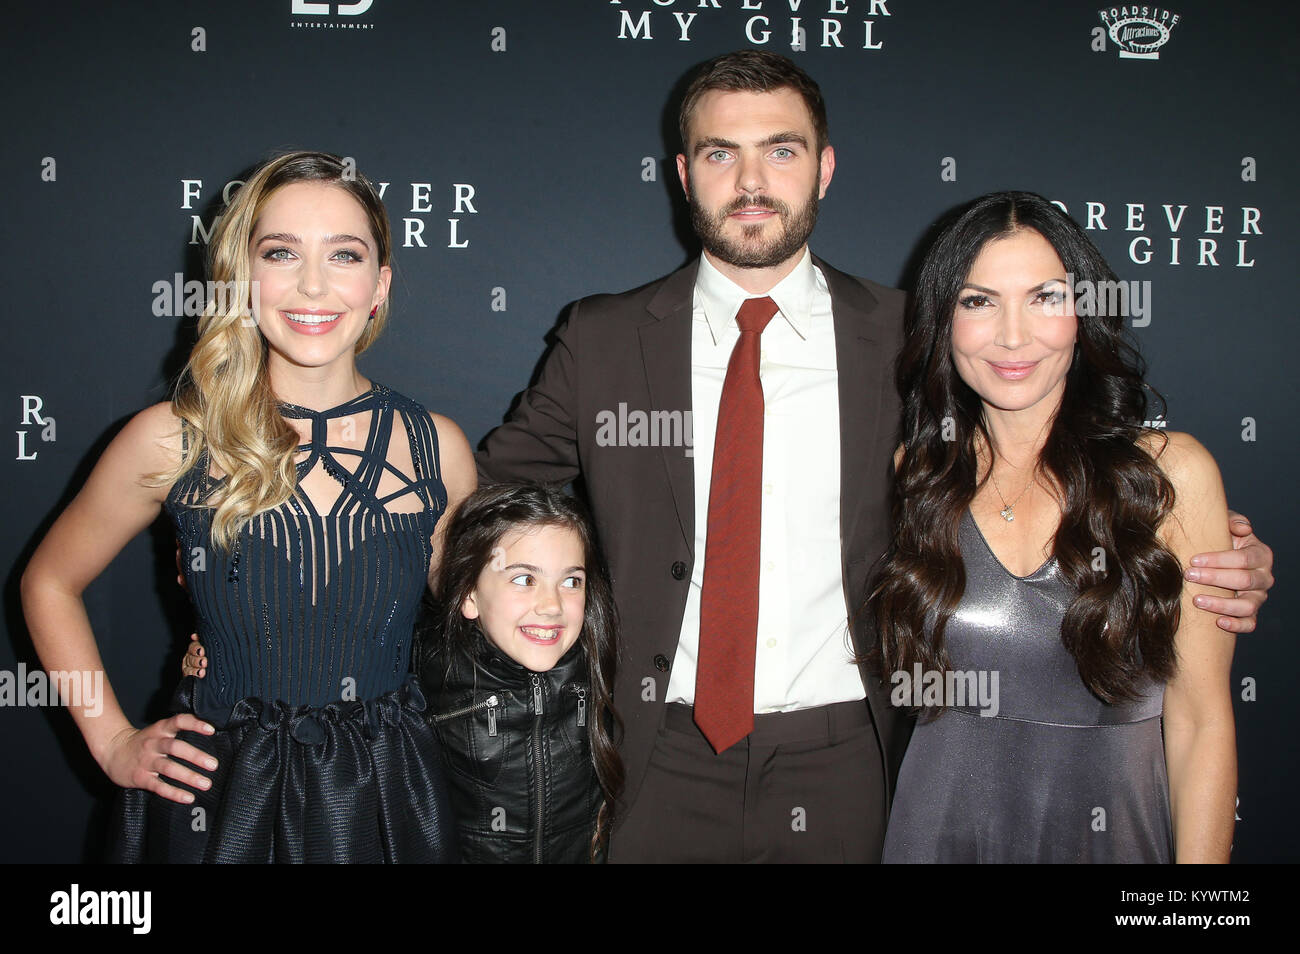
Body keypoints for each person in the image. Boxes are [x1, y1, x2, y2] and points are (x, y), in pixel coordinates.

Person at [472, 51, 1272, 863]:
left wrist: (1211, 546)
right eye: (721, 153)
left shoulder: (913, 337)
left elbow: (1059, 458)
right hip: (656, 752)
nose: (752, 181)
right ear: (684, 174)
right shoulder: (603, 338)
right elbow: (491, 499)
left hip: (851, 763)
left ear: (823, 169)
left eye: (780, 151)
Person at [20, 150, 475, 862]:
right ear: (241, 277)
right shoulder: (170, 438)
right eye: (282, 252)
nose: (314, 284)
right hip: (221, 795)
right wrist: (111, 739)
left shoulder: (435, 448)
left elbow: (469, 628)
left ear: (380, 284)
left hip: (385, 797)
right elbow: (48, 582)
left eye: (345, 255)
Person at [873, 191, 1237, 862]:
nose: (1014, 335)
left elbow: (1201, 723)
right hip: (935, 837)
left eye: (1044, 297)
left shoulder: (1171, 475)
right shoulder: (914, 475)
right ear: (943, 321)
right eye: (978, 301)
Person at [416, 482, 622, 863]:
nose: (551, 605)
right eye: (524, 579)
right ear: (468, 596)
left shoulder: (603, 673)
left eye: (571, 581)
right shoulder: (425, 684)